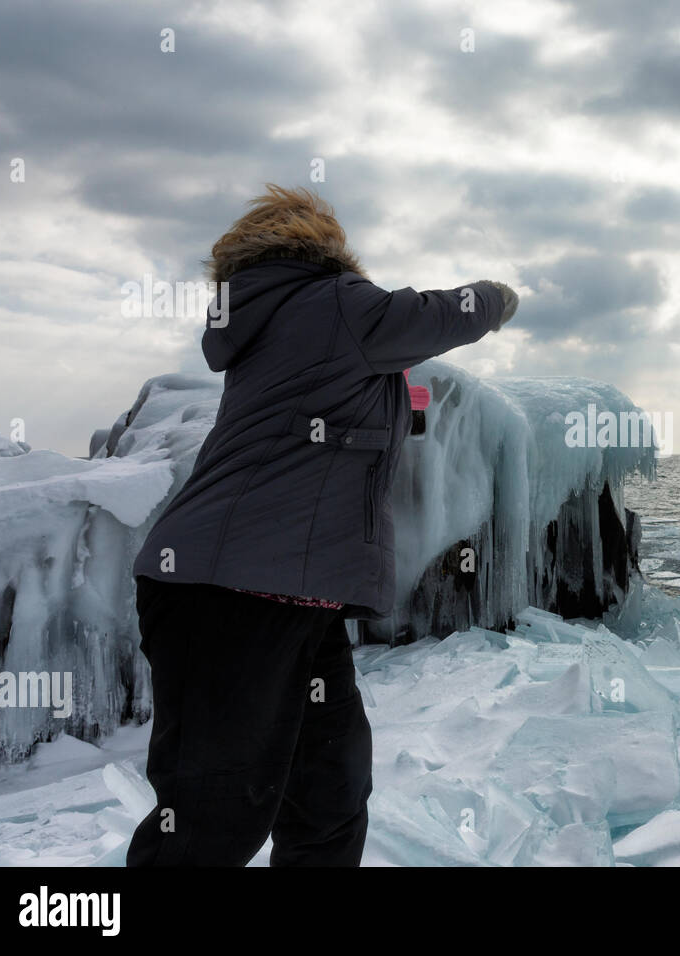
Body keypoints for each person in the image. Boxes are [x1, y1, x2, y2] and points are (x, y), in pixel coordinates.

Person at [127, 184, 517, 866]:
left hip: (288, 600)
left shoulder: (272, 326)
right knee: (212, 822)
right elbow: (442, 315)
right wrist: (498, 295)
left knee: (328, 799)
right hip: (230, 597)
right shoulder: (335, 302)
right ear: (321, 246)